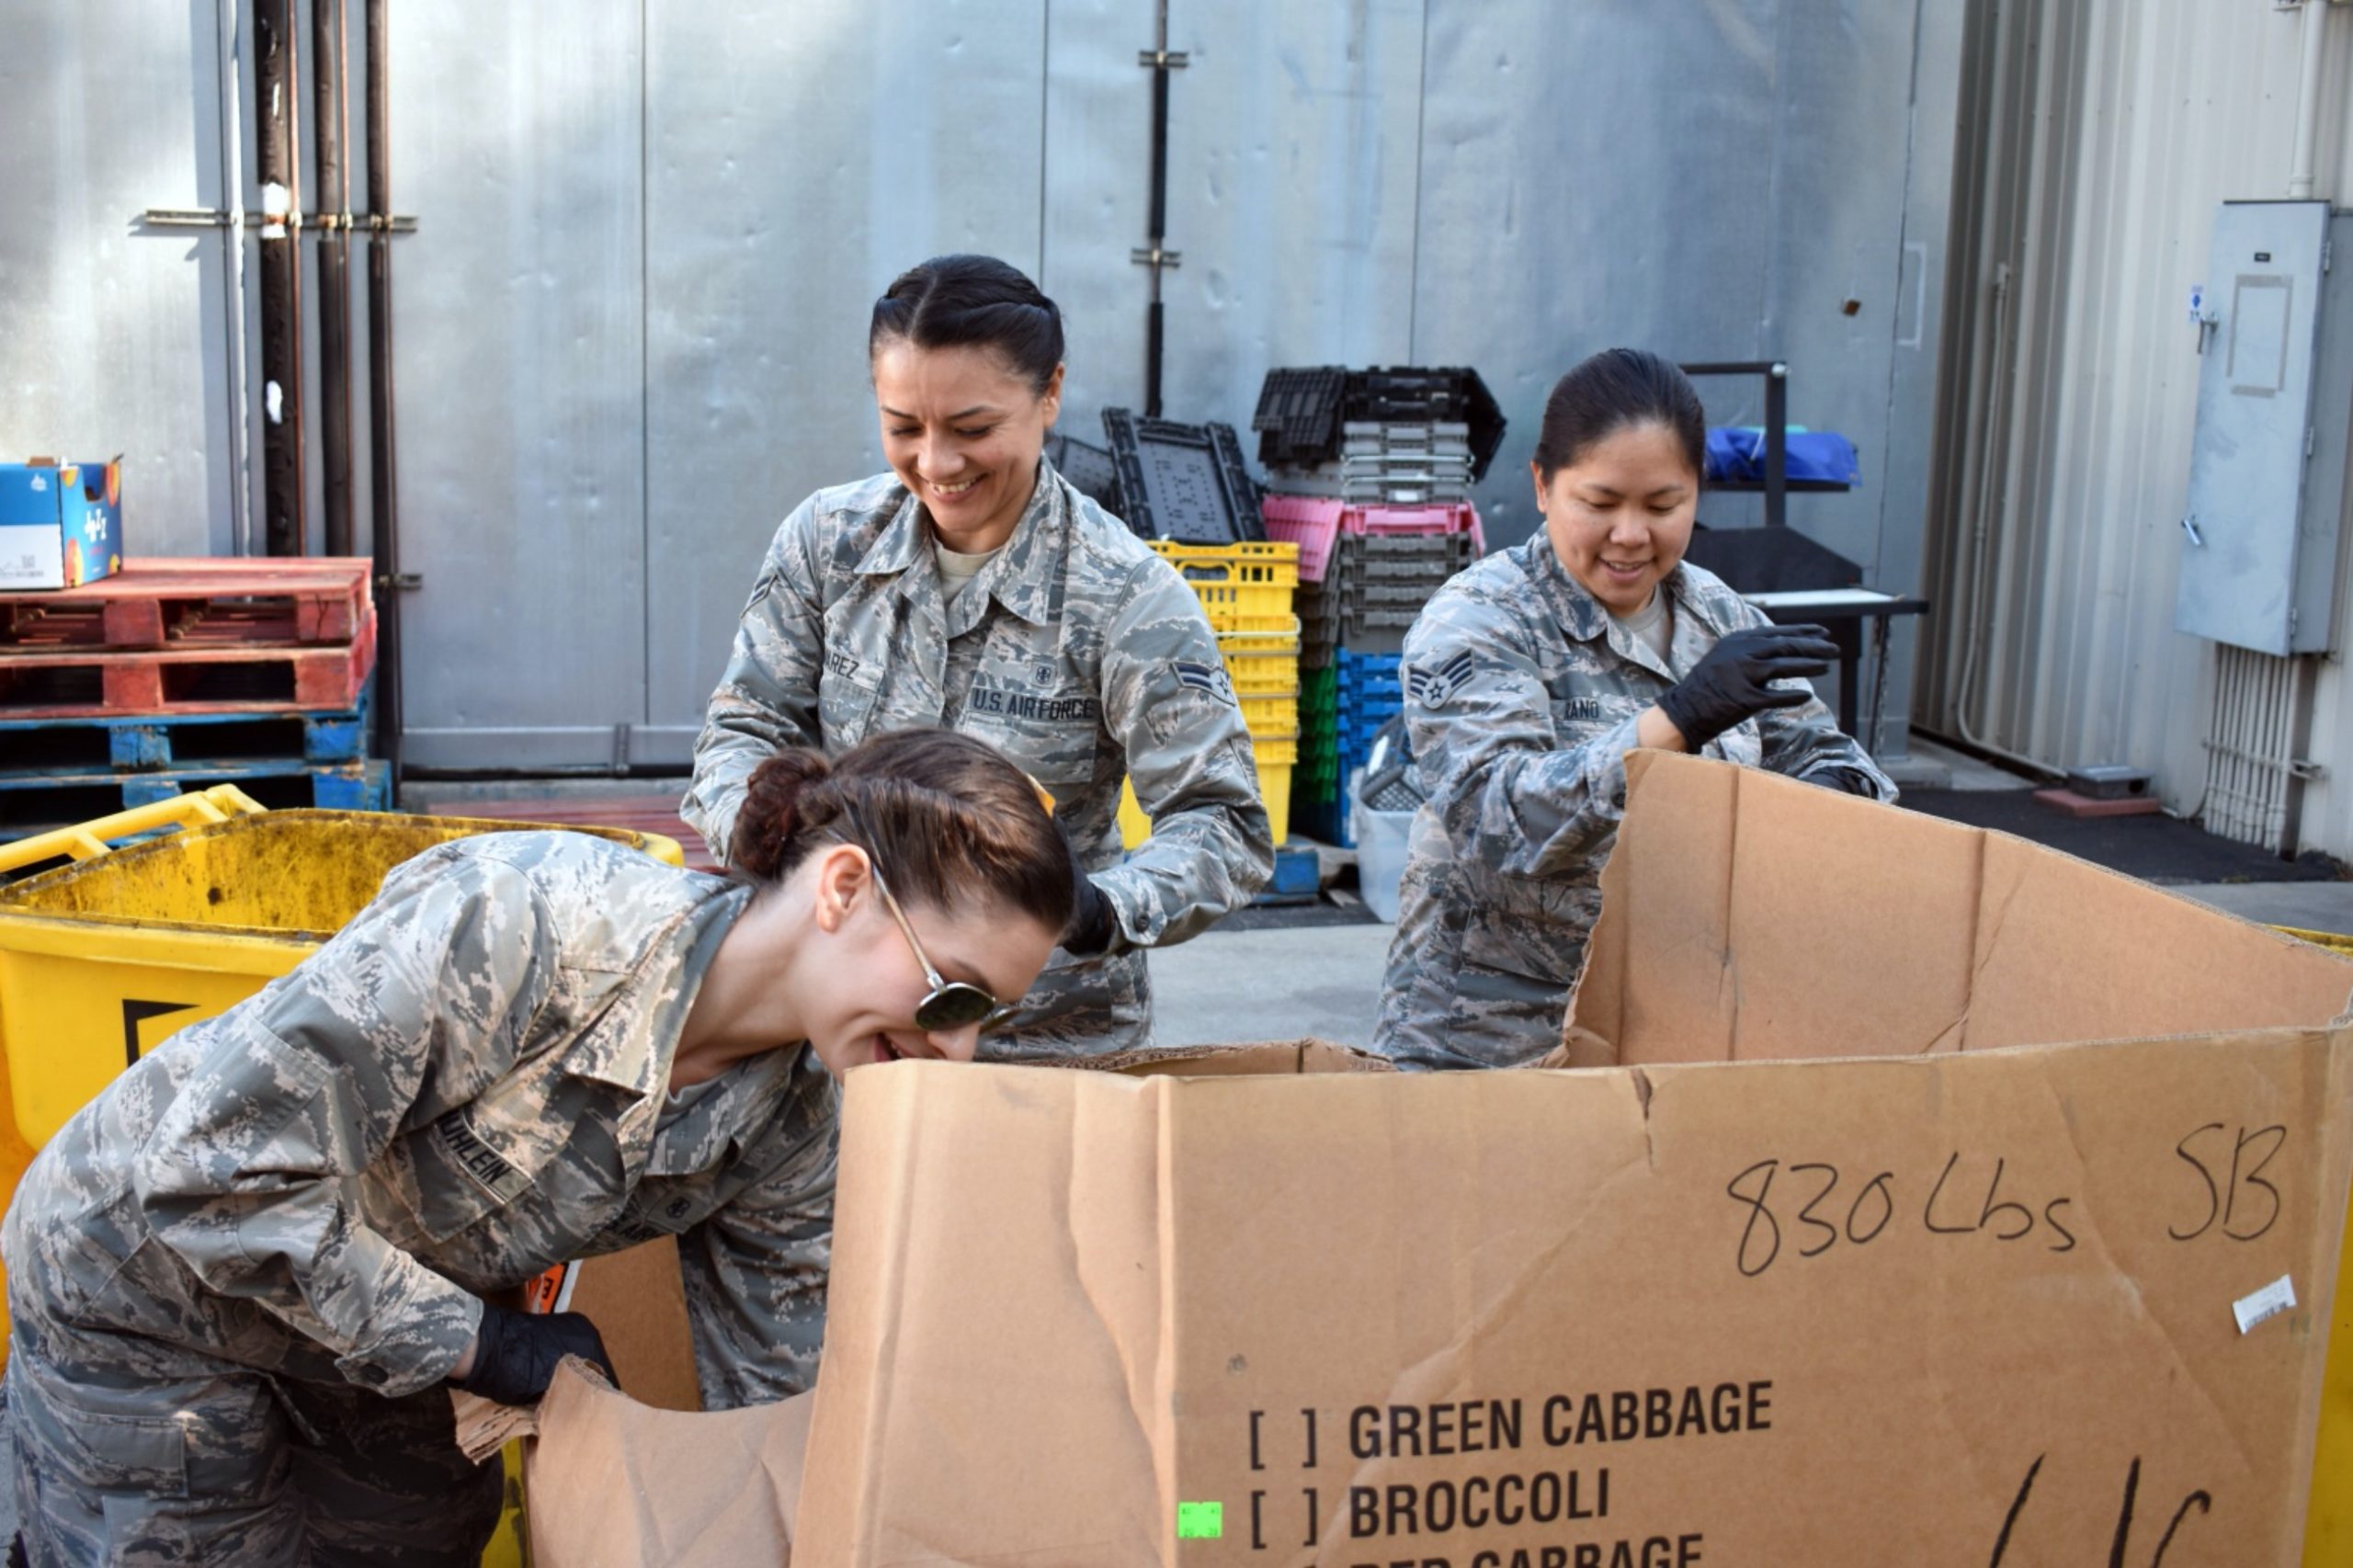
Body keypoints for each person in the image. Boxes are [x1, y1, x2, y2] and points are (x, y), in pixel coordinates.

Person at [3, 728, 1071, 1567]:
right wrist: (482, 1344)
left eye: (990, 1018)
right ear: (843, 888)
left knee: (420, 1538)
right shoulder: (520, 926)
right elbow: (213, 1176)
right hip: (144, 1285)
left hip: (353, 1333)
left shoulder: (799, 1118)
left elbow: (774, 1392)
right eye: (955, 992)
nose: (957, 1049)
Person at [683, 254, 1271, 1062]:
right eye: (902, 427)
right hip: (838, 1028)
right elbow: (745, 727)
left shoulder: (1124, 596)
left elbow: (1223, 825)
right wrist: (765, 834)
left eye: (972, 429)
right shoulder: (828, 543)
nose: (936, 463)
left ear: (1050, 394)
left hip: (1042, 1043)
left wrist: (1096, 906)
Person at [1375, 348, 1897, 1072]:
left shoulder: (1718, 613)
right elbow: (1493, 814)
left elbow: (1825, 755)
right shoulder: (1481, 621)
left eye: (1662, 505)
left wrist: (1819, 812)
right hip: (1499, 1040)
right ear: (1542, 485)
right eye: (1600, 503)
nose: (1630, 535)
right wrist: (1673, 723)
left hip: (1678, 1027)